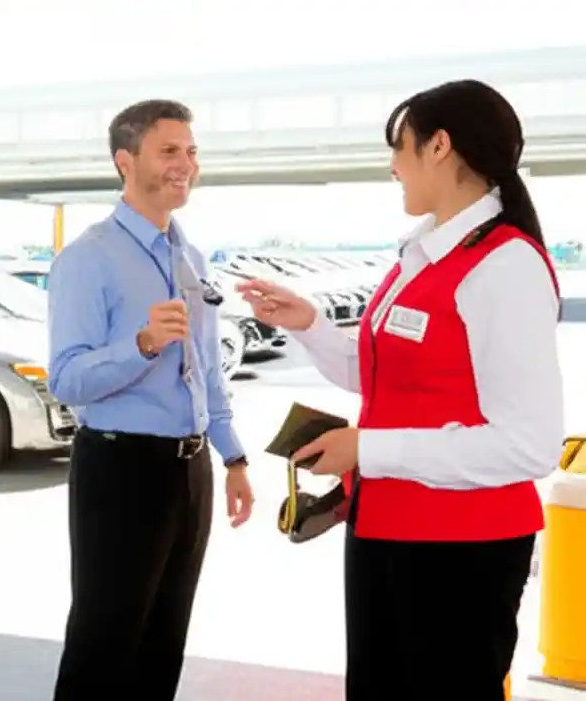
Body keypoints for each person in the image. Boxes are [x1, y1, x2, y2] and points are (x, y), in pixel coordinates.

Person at [236, 79, 564, 700]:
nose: (392, 166)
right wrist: (309, 324)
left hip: (462, 552)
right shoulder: (423, 255)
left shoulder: (505, 265)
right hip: (386, 529)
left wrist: (371, 449)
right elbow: (385, 376)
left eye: (400, 146)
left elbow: (530, 445)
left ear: (439, 146)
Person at [47, 99, 255, 700]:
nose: (185, 164)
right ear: (125, 160)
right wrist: (138, 344)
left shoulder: (190, 258)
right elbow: (65, 380)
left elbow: (206, 372)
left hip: (190, 473)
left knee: (166, 639)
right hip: (120, 471)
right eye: (169, 151)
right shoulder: (87, 258)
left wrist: (233, 456)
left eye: (190, 151)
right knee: (104, 644)